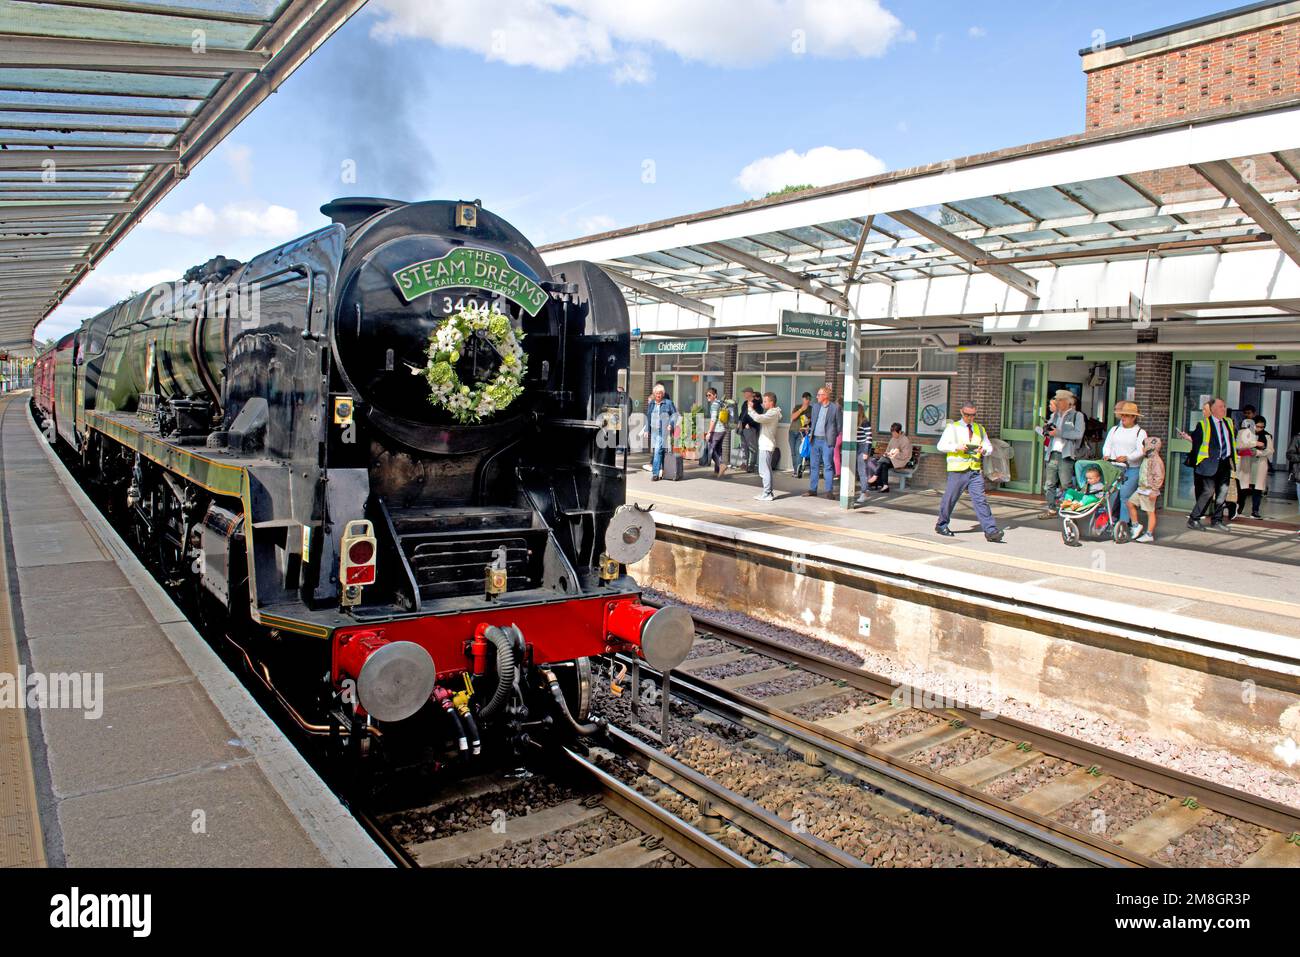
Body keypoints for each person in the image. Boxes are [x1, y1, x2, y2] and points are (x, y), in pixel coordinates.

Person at [935, 402, 1004, 542]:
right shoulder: (952, 428)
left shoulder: (979, 428)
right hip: (958, 471)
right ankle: (941, 524)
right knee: (950, 498)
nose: (969, 418)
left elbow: (989, 447)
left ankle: (991, 531)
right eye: (967, 415)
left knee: (980, 500)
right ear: (961, 412)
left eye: (972, 415)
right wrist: (957, 447)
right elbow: (940, 446)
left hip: (974, 470)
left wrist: (983, 450)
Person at [1177, 397, 1237, 531]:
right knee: (1208, 492)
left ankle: (1217, 520)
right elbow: (1197, 446)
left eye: (1224, 406)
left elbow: (1232, 441)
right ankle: (1194, 519)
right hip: (1208, 464)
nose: (1224, 409)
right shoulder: (1203, 424)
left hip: (1225, 463)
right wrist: (1197, 464)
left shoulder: (1229, 422)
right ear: (1213, 409)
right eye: (1221, 406)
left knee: (1222, 493)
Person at [1035, 389, 1085, 519]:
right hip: (1052, 452)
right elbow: (1051, 431)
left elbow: (1078, 434)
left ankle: (1070, 508)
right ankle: (1051, 509)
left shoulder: (1077, 416)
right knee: (1049, 484)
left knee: (1066, 484)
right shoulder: (1055, 415)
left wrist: (1059, 433)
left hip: (1066, 454)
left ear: (1068, 402)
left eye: (1060, 400)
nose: (1057, 402)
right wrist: (1046, 431)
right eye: (1057, 400)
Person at [1101, 399, 1147, 510]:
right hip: (1114, 467)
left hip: (1132, 469)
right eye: (1122, 415)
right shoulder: (1114, 429)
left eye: (1127, 416)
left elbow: (1141, 450)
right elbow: (1107, 445)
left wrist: (1128, 457)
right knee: (1110, 495)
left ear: (1134, 417)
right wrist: (1106, 454)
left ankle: (1123, 522)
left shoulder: (1140, 432)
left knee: (1125, 496)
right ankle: (1109, 520)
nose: (1123, 418)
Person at [803, 387, 841, 500]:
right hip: (815, 439)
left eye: (819, 394)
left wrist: (833, 436)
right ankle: (812, 489)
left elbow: (839, 425)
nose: (817, 396)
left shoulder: (835, 408)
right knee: (813, 465)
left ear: (825, 396)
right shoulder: (815, 407)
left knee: (828, 466)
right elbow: (814, 421)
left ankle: (829, 491)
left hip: (827, 441)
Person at [1127, 436, 1165, 543]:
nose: (1142, 449)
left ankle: (1149, 534)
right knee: (1130, 503)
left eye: (1144, 447)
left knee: (1150, 512)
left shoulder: (1156, 461)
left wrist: (1154, 490)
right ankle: (1136, 525)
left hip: (1149, 490)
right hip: (1141, 488)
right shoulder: (1147, 458)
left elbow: (1159, 476)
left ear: (1149, 447)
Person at [1237, 414, 1274, 519]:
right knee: (1243, 488)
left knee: (1257, 489)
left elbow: (1270, 450)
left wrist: (1258, 452)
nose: (1259, 429)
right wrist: (1253, 444)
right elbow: (1239, 446)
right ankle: (1239, 508)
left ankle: (1255, 511)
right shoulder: (1245, 433)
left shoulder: (1267, 436)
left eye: (1262, 427)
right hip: (1246, 462)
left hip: (1259, 463)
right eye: (1257, 426)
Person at [861, 423, 912, 499]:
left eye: (894, 433)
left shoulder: (905, 440)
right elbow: (888, 449)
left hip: (901, 461)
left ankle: (875, 477)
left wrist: (894, 455)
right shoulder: (892, 439)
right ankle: (885, 486)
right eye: (892, 433)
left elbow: (905, 455)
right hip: (891, 459)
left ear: (899, 431)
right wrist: (887, 453)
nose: (893, 435)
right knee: (883, 464)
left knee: (882, 461)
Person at [641, 383, 679, 482]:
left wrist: (671, 424)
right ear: (654, 393)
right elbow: (648, 417)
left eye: (660, 393)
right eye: (657, 393)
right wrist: (646, 430)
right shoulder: (651, 404)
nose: (658, 395)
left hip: (663, 430)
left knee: (657, 450)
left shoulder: (668, 403)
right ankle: (663, 471)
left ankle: (655, 473)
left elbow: (675, 415)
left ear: (663, 394)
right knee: (659, 451)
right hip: (654, 431)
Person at [752, 391, 783, 502]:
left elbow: (759, 418)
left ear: (771, 402)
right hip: (765, 444)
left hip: (766, 445)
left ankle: (767, 493)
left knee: (764, 470)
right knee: (765, 469)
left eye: (765, 401)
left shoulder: (772, 413)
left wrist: (751, 410)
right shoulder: (772, 412)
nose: (763, 403)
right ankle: (768, 492)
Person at [701, 387, 727, 478]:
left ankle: (721, 465)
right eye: (706, 395)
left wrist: (709, 432)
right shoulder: (721, 403)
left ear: (715, 395)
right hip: (723, 430)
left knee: (711, 450)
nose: (708, 396)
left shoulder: (714, 405)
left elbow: (713, 420)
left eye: (709, 395)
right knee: (718, 450)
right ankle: (717, 471)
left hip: (717, 430)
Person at [851, 410, 873, 507]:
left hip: (862, 446)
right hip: (856, 446)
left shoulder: (865, 422)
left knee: (861, 470)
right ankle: (865, 491)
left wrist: (866, 452)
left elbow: (869, 438)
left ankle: (864, 492)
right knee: (857, 470)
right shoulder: (855, 421)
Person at [737, 387, 761, 473]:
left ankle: (752, 466)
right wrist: (739, 422)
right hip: (742, 428)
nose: (744, 394)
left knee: (752, 448)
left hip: (750, 428)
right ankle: (744, 464)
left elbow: (758, 416)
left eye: (745, 392)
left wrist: (750, 424)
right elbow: (742, 414)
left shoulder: (757, 404)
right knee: (744, 447)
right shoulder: (744, 403)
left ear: (750, 393)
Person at [789, 392, 812, 475]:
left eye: (809, 399)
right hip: (792, 431)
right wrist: (801, 409)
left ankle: (798, 472)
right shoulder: (798, 407)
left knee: (798, 451)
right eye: (806, 399)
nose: (808, 400)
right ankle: (795, 471)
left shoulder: (811, 409)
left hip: (801, 433)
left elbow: (811, 421)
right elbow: (793, 417)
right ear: (803, 399)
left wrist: (808, 424)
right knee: (793, 452)